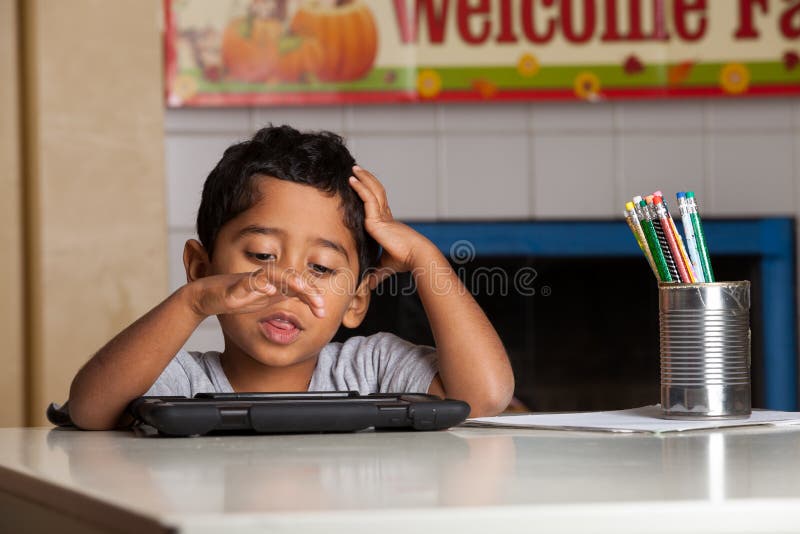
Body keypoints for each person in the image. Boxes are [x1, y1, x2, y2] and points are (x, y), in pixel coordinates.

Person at [67, 125, 514, 430]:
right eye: (262, 255)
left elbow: (487, 396)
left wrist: (422, 255)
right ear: (202, 270)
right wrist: (191, 302)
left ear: (356, 301)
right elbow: (90, 410)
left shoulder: (371, 370)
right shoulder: (179, 381)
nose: (289, 284)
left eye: (321, 267)